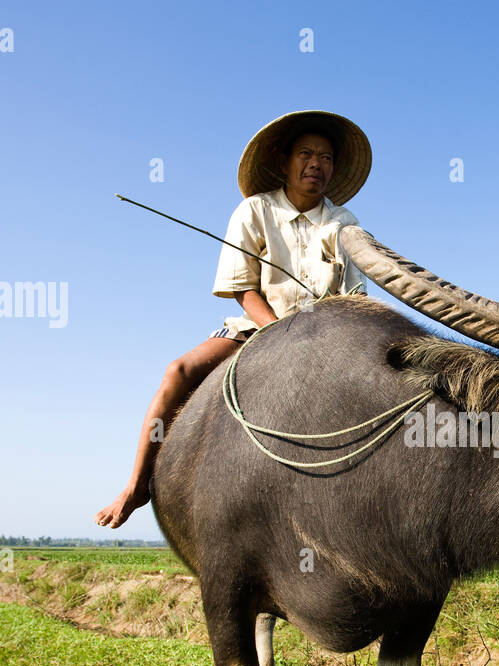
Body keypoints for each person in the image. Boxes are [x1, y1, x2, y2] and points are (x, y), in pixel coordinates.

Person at [95, 110, 372, 529]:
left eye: (326, 157)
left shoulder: (344, 224)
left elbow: (354, 299)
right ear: (284, 162)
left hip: (327, 336)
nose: (316, 164)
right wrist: (278, 332)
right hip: (258, 327)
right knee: (178, 371)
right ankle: (136, 484)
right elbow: (244, 289)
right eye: (306, 154)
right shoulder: (254, 211)